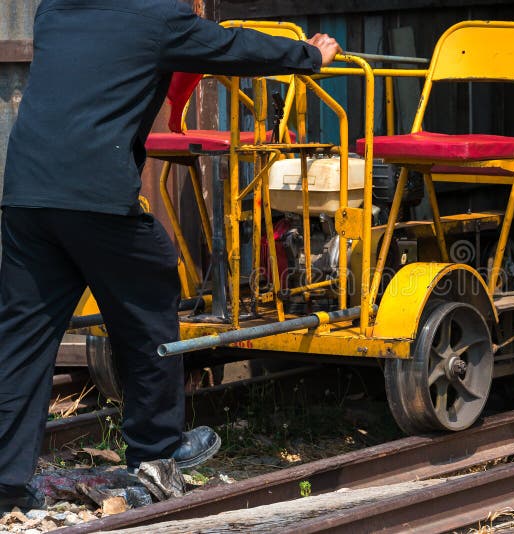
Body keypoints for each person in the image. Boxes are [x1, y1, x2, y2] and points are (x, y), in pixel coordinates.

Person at [0, 0, 341, 511]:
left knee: (22, 339)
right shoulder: (155, 17)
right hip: (95, 195)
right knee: (153, 287)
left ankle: (5, 482)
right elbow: (231, 47)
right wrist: (308, 55)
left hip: (26, 194)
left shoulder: (53, 12)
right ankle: (158, 448)